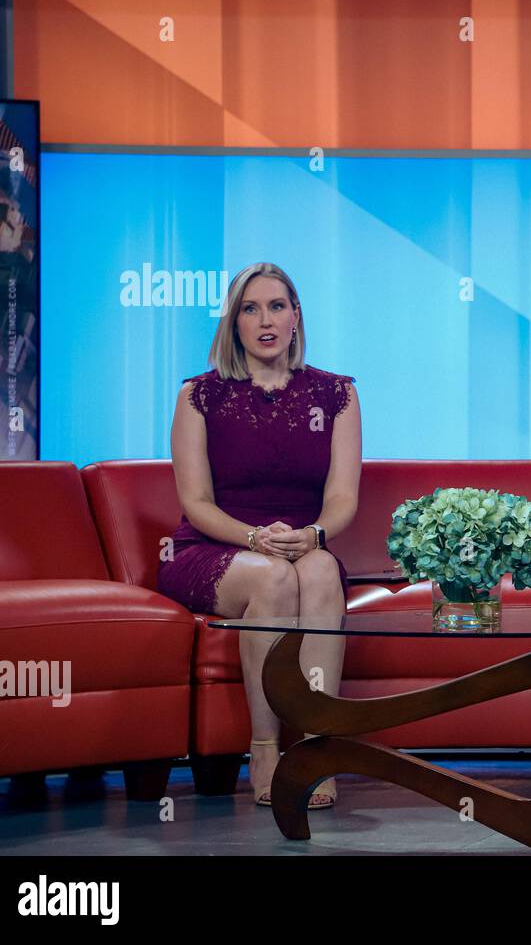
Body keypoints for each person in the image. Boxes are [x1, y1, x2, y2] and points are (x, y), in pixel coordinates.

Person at [157, 262, 361, 810]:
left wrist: (314, 535)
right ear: (234, 322)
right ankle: (265, 749)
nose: (265, 320)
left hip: (302, 542)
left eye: (276, 307)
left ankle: (316, 746)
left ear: (296, 317)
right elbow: (196, 503)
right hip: (214, 547)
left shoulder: (337, 394)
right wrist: (254, 539)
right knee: (273, 578)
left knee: (321, 570)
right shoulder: (199, 396)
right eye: (250, 309)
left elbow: (343, 498)